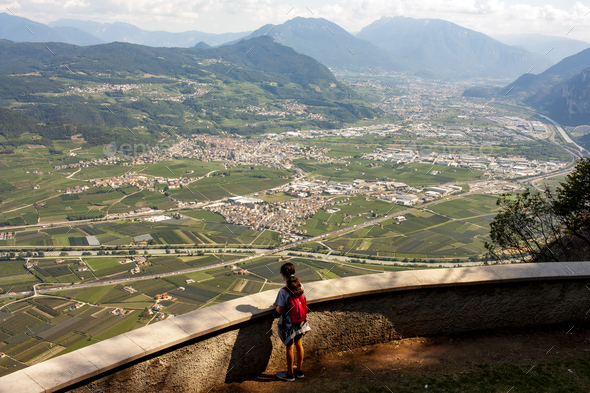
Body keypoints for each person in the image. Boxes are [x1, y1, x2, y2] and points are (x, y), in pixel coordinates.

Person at [271, 262, 311, 382]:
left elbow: (279, 310)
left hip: (288, 324)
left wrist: (276, 305)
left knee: (289, 347)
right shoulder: (300, 286)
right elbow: (304, 300)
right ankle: (299, 371)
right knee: (299, 344)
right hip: (300, 321)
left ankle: (289, 374)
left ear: (283, 274)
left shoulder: (283, 292)